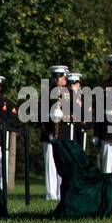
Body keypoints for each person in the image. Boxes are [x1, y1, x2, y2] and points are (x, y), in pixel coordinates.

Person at [43, 65, 69, 200]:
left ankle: (61, 193)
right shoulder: (46, 93)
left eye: (61, 77)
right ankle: (50, 193)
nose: (59, 80)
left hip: (63, 133)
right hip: (50, 133)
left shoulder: (69, 93)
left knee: (62, 164)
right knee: (50, 164)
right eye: (56, 77)